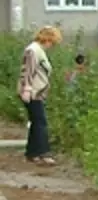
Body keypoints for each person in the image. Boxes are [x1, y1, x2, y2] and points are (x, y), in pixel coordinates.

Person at [18, 26, 63, 167]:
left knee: (36, 122)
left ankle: (32, 153)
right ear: (48, 39)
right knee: (41, 122)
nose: (52, 45)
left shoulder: (37, 50)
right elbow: (28, 70)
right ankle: (44, 153)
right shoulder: (33, 50)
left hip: (36, 92)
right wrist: (27, 88)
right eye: (53, 42)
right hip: (33, 93)